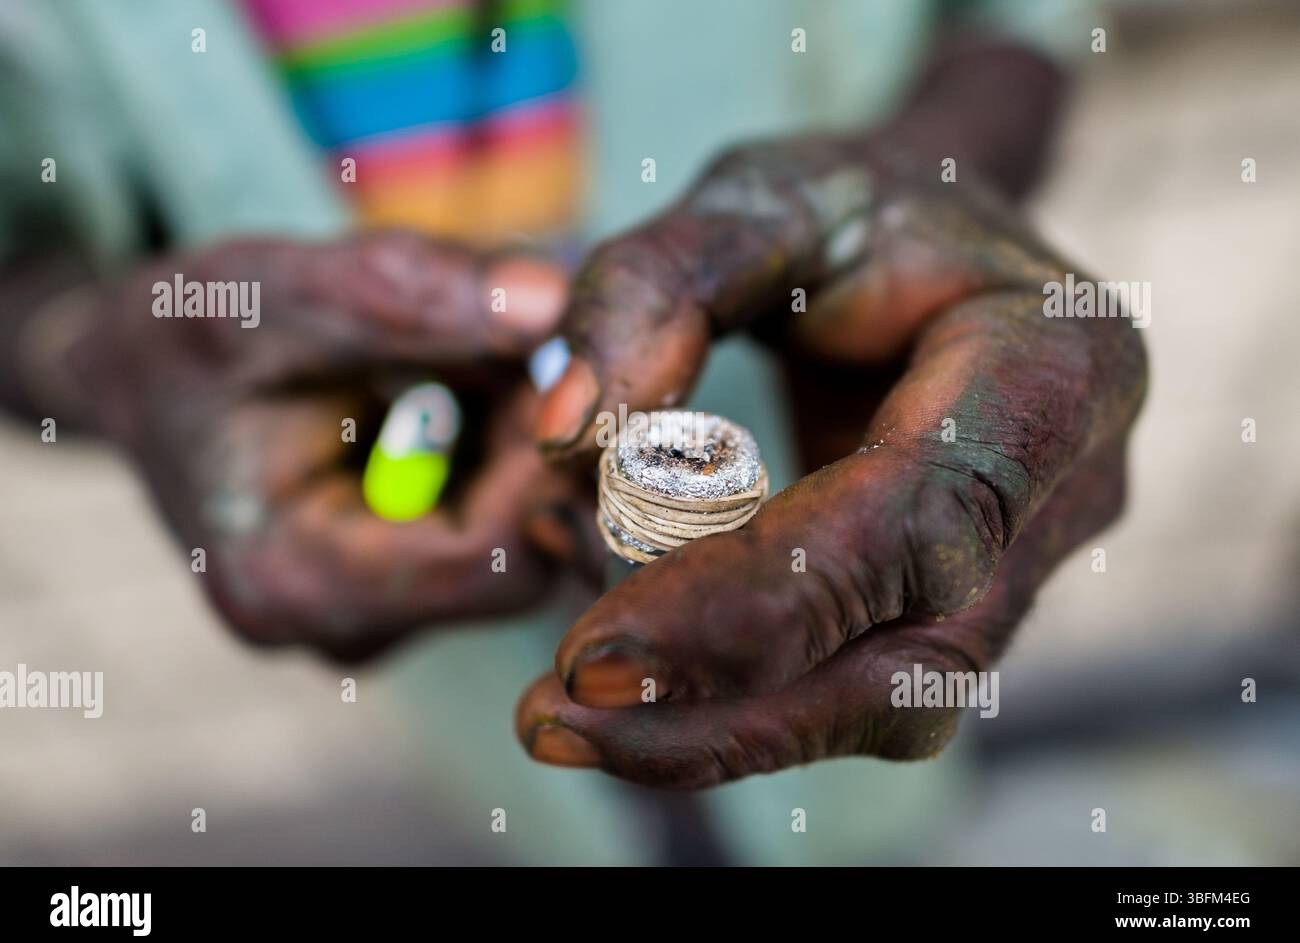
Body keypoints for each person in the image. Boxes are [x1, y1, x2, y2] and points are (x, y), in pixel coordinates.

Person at [0, 0, 1143, 864]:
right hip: (461, 653)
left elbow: (1011, 26)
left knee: (857, 805)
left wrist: (938, 173)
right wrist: (93, 347)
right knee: (571, 805)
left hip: (832, 525)